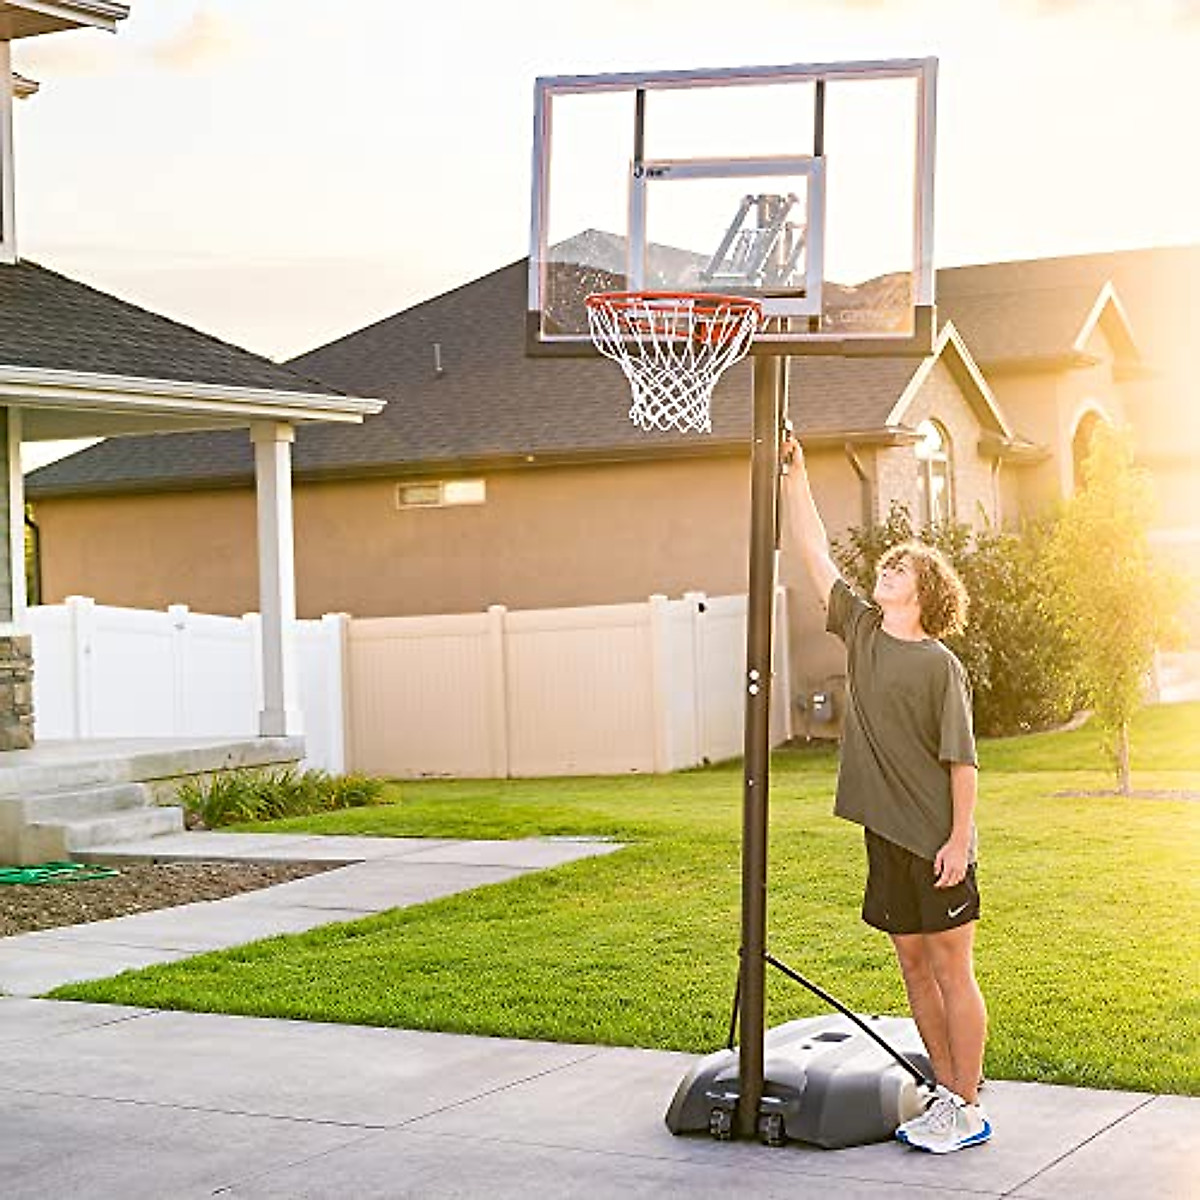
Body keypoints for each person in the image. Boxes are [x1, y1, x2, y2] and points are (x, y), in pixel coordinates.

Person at [780, 432, 991, 1155]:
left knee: (951, 968)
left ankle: (968, 1102)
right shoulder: (863, 630)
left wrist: (958, 841)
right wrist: (796, 479)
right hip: (886, 836)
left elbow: (963, 764)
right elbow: (814, 553)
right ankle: (945, 1092)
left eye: (900, 567)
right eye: (886, 564)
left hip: (937, 841)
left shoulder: (939, 665)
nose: (885, 569)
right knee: (911, 964)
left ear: (924, 592)